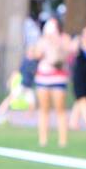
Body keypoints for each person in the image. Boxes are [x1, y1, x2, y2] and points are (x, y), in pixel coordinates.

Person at [30, 16, 70, 147]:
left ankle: (63, 140)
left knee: (60, 109)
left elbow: (67, 53)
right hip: (43, 77)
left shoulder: (63, 39)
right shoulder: (43, 40)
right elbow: (36, 54)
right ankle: (43, 139)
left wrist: (57, 41)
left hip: (58, 77)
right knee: (43, 109)